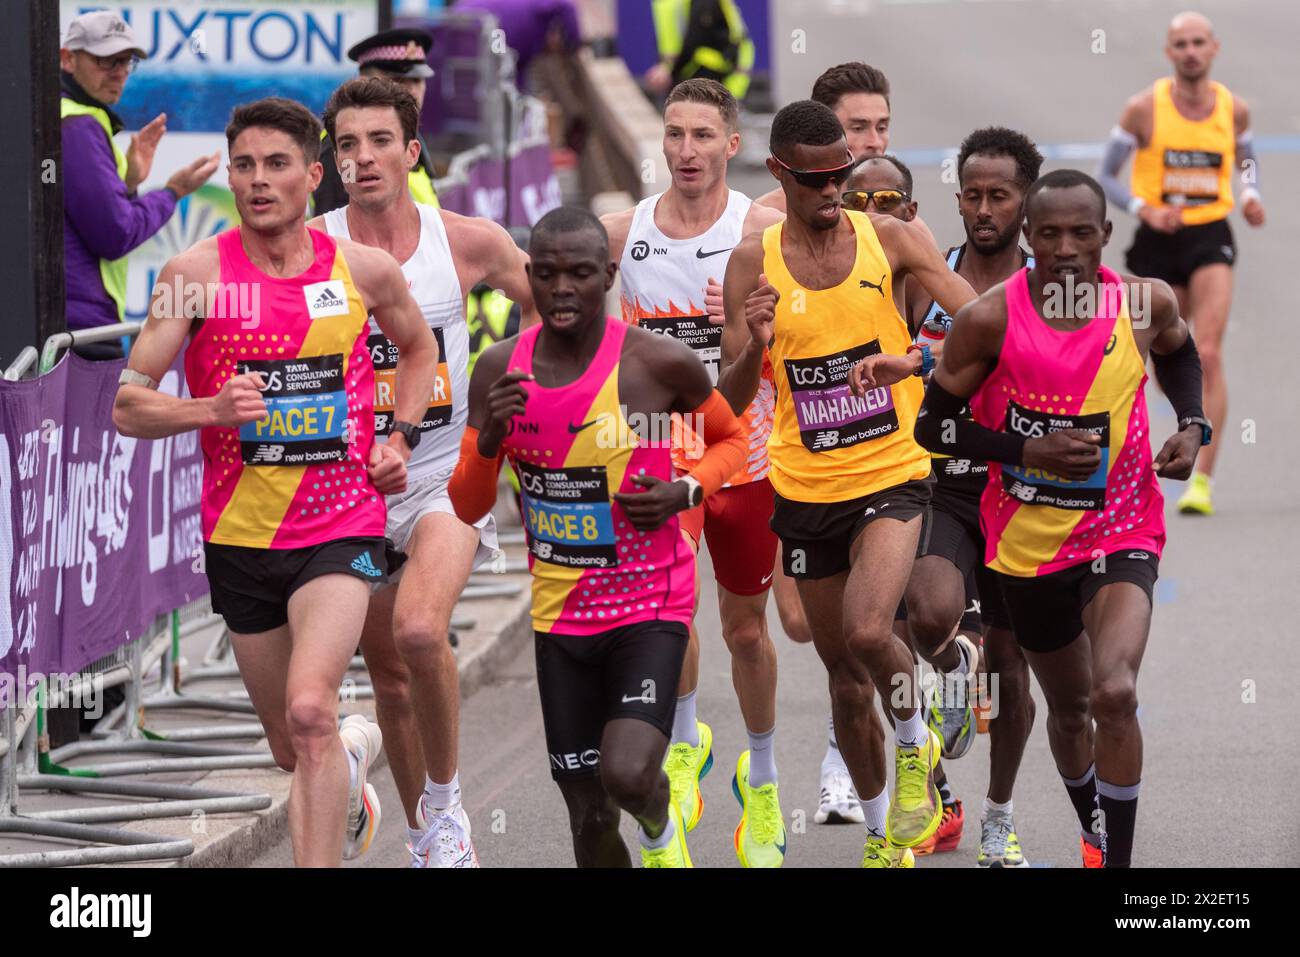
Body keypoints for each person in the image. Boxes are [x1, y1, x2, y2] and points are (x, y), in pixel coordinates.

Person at [112, 97, 441, 866]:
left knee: (308, 709)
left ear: (313, 174)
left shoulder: (361, 269)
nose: (259, 181)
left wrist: (400, 436)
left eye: (277, 164)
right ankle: (351, 764)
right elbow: (129, 404)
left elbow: (420, 350)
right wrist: (209, 408)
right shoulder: (194, 276)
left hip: (342, 524)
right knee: (295, 745)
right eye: (245, 166)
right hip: (241, 535)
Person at [915, 169, 1209, 867]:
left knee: (1115, 690)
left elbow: (1179, 348)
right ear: (1029, 237)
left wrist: (1193, 424)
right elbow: (934, 427)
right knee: (1071, 709)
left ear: (1106, 236)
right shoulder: (989, 318)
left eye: (1083, 233)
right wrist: (1025, 448)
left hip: (1122, 525)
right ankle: (1092, 823)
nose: (1067, 248)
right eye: (1050, 234)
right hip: (1026, 546)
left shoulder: (1144, 302)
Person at [449, 206, 748, 867]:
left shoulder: (657, 363)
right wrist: (491, 440)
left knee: (629, 774)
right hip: (560, 618)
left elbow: (731, 436)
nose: (562, 289)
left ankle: (660, 825)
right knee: (586, 813)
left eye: (580, 274)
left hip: (650, 606)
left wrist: (686, 489)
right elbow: (467, 502)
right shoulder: (498, 370)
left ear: (609, 276)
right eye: (547, 273)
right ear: (528, 275)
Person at [719, 100, 976, 867]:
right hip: (805, 486)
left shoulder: (890, 237)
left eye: (842, 175)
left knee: (872, 631)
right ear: (778, 174)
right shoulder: (750, 263)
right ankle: (881, 838)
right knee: (844, 680)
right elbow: (730, 403)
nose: (834, 190)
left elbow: (985, 322)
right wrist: (754, 344)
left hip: (892, 472)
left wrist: (919, 360)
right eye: (816, 178)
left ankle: (914, 744)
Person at [310, 76, 537, 867]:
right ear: (332, 160)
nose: (363, 159)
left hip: (443, 475)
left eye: (379, 142)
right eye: (347, 145)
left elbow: (554, 298)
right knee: (391, 680)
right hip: (354, 490)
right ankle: (421, 834)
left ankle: (448, 807)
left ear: (411, 151)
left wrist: (520, 384)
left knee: (417, 629)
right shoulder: (316, 248)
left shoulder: (464, 239)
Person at [601, 78, 790, 867]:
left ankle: (765, 773)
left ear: (732, 145)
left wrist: (753, 326)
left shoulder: (766, 228)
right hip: (659, 457)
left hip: (744, 455)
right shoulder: (624, 230)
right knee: (669, 620)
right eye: (675, 135)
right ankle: (683, 750)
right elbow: (540, 281)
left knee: (747, 629)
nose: (686, 151)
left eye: (703, 136)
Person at [853, 130, 1043, 865]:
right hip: (938, 479)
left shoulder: (1039, 283)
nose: (985, 207)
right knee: (923, 614)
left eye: (1000, 195)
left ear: (1026, 201)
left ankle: (999, 815)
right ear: (954, 198)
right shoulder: (926, 271)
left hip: (1024, 486)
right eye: (973, 194)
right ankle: (948, 688)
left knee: (1013, 665)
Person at [1098, 11, 1263, 516]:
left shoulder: (1233, 109)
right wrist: (1144, 209)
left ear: (1213, 48)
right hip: (1157, 242)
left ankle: (1201, 481)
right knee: (1140, 359)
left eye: (1198, 43)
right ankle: (1122, 469)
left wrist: (1251, 192)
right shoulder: (1143, 108)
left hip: (1211, 236)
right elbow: (1106, 176)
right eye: (1180, 44)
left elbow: (1246, 158)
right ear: (1169, 53)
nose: (1190, 51)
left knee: (1207, 352)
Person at [60, 10, 219, 356]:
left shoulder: (69, 117)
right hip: (80, 329)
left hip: (70, 322)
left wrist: (128, 184)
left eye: (125, 62)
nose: (118, 73)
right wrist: (172, 192)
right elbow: (115, 234)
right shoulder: (78, 124)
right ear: (67, 59)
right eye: (106, 61)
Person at [313, 28, 440, 216]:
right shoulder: (341, 149)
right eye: (398, 80)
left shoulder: (409, 137)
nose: (412, 91)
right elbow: (338, 231)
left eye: (417, 80)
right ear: (365, 82)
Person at [645, 0, 754, 101]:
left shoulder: (708, 3)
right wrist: (665, 68)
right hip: (683, 80)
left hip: (711, 80)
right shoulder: (664, 4)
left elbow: (695, 39)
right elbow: (670, 45)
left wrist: (668, 70)